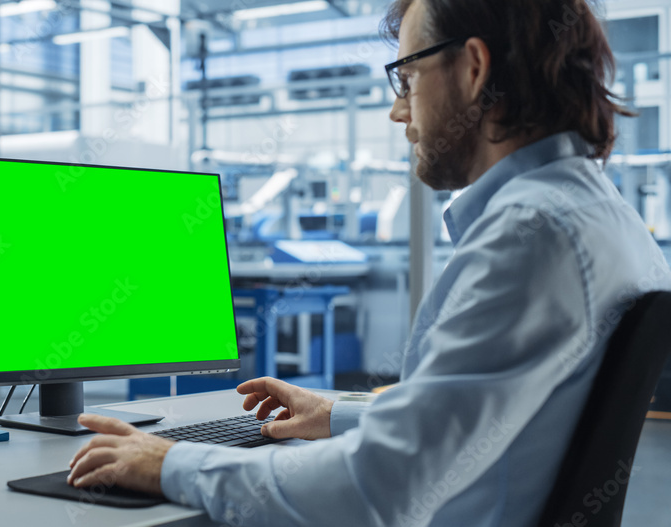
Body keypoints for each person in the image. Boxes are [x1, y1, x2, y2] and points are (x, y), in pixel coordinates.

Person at [66, 1, 671, 525]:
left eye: (407, 79)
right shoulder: (600, 217)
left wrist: (172, 462)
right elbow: (470, 418)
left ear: (474, 68)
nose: (398, 113)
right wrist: (338, 413)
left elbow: (377, 492)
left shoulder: (530, 236)